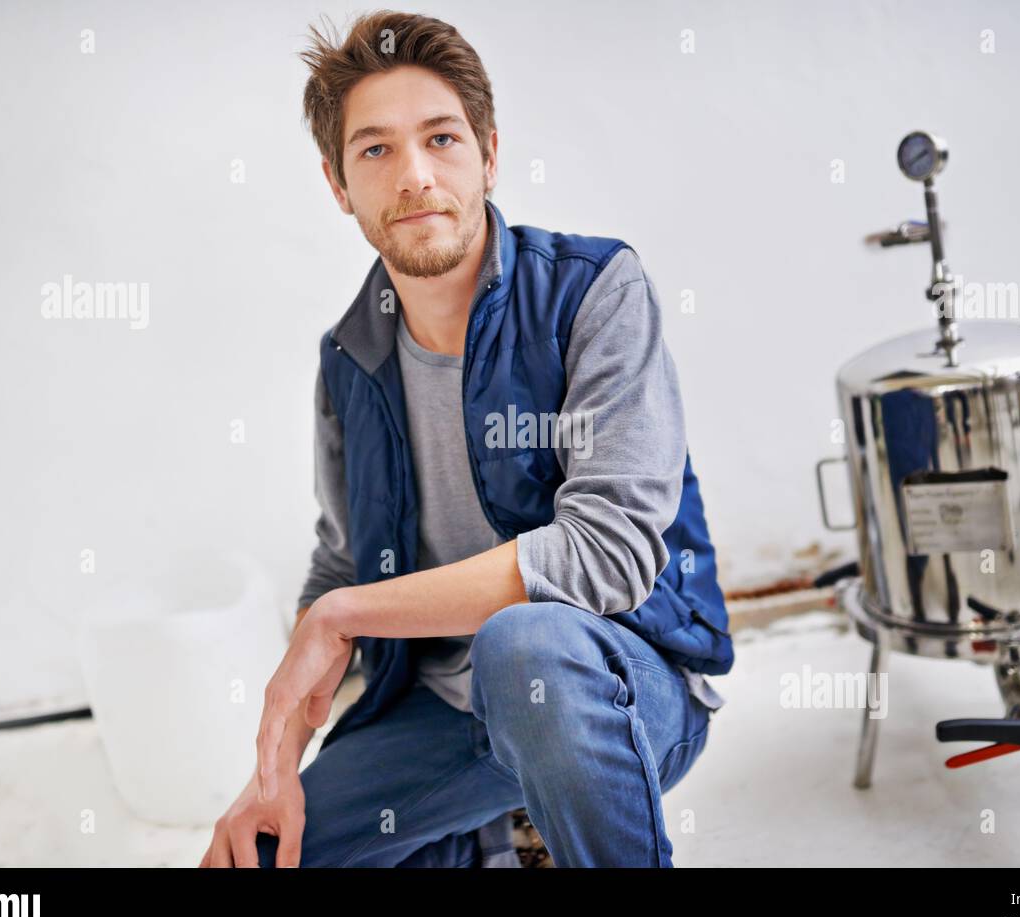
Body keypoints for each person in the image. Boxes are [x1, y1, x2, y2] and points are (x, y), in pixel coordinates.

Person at [198, 10, 732, 869]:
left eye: (440, 138)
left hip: (612, 684)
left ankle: (520, 824)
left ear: (487, 153)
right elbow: (341, 564)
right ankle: (487, 832)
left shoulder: (594, 293)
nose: (414, 176)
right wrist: (273, 771)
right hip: (437, 712)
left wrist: (343, 615)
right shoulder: (349, 361)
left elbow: (609, 553)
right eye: (374, 150)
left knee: (525, 642)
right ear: (338, 184)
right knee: (258, 856)